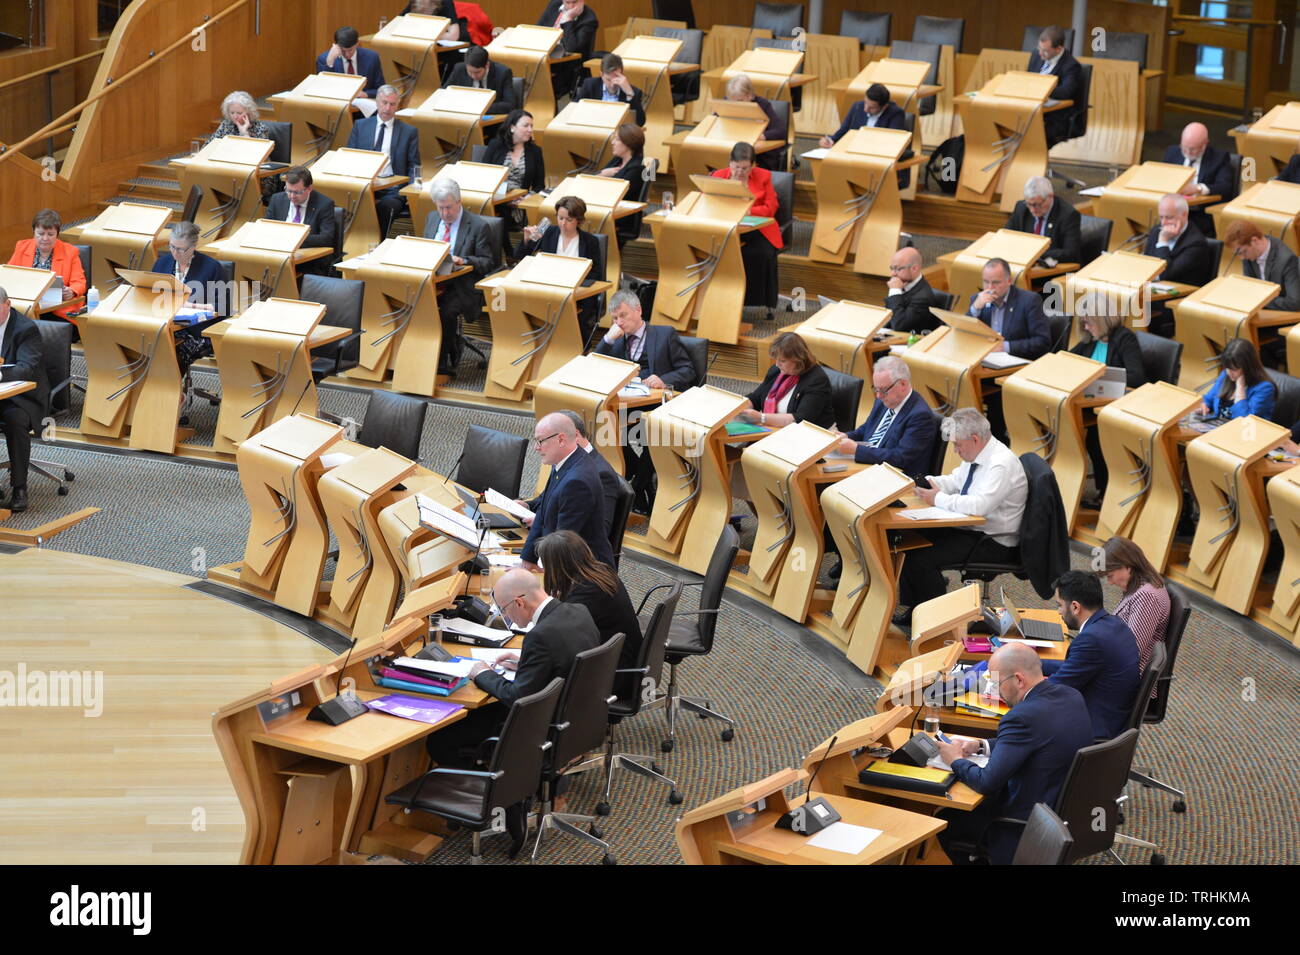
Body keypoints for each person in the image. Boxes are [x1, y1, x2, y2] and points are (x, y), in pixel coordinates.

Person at [429, 567, 600, 854]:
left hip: (540, 730)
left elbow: (517, 696)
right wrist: (526, 664)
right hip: (574, 723)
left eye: (506, 611)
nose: (508, 619)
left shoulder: (541, 635)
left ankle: (496, 803)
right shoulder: (578, 611)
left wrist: (481, 673)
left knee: (442, 738)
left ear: (520, 602)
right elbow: (564, 663)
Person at [934, 642, 1093, 865]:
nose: (993, 691)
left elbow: (987, 781)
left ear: (1018, 680)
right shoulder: (1070, 696)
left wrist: (956, 760)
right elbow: (1032, 740)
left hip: (1024, 823)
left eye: (996, 683)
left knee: (946, 820)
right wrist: (980, 745)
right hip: (1061, 811)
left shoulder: (1020, 717)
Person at [897, 408, 1028, 618]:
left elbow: (979, 506)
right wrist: (925, 483)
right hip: (971, 528)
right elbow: (956, 480)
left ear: (974, 439)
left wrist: (937, 498)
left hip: (994, 541)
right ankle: (916, 610)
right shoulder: (976, 454)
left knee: (921, 558)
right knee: (907, 541)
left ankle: (934, 621)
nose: (956, 450)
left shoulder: (1001, 464)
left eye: (957, 445)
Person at [1043, 570, 1141, 740]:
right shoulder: (1114, 624)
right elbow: (1074, 667)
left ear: (1075, 607)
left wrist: (1019, 685)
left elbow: (1057, 688)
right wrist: (1034, 664)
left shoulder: (1091, 640)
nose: (1059, 612)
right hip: (1112, 714)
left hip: (1095, 726)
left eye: (1059, 605)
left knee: (1023, 714)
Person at [537, 529, 642, 674]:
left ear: (557, 566)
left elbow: (557, 634)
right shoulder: (600, 571)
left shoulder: (585, 593)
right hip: (623, 657)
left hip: (613, 672)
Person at [519, 412, 615, 569]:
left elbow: (562, 541)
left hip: (584, 572)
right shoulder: (564, 462)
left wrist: (538, 571)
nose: (536, 447)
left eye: (540, 441)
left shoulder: (577, 480)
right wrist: (526, 563)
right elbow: (542, 514)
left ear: (561, 439)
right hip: (563, 560)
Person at [422, 177, 496, 374]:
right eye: (440, 208)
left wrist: (464, 260)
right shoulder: (431, 218)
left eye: (448, 207)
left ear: (459, 202)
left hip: (461, 285)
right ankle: (417, 356)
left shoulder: (478, 226)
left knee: (444, 311)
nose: (444, 213)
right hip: (432, 281)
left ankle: (441, 362)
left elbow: (488, 262)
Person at [1071, 309, 1145, 492]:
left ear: (1102, 321)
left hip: (1116, 406)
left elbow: (1137, 377)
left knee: (1095, 439)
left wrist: (1102, 376)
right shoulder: (1090, 340)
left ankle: (1105, 491)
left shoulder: (1124, 338)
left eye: (1090, 323)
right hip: (1090, 403)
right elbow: (1068, 360)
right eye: (1084, 324)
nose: (1086, 328)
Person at [515, 195, 605, 343]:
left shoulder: (590, 241)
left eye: (569, 220)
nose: (563, 224)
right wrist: (526, 239)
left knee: (573, 314)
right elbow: (520, 258)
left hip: (577, 295)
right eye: (560, 218)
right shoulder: (548, 232)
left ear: (579, 220)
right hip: (547, 290)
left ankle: (578, 347)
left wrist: (576, 286)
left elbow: (596, 275)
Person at [833, 356, 937, 481]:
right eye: (876, 389)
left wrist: (857, 450)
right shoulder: (884, 400)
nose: (878, 395)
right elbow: (866, 429)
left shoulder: (920, 416)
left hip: (896, 479)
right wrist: (846, 436)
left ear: (903, 384)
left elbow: (900, 458)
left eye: (883, 390)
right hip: (869, 466)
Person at [711, 141, 783, 309]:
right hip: (726, 228)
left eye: (745, 168)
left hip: (757, 229)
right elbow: (706, 201)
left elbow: (771, 208)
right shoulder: (718, 176)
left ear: (753, 166)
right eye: (736, 167)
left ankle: (748, 302)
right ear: (730, 163)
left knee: (758, 253)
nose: (740, 172)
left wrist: (750, 211)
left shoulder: (763, 176)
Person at [345, 85, 420, 240]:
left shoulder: (409, 131)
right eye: (384, 103)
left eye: (392, 104)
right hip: (364, 187)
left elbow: (415, 165)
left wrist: (414, 190)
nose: (387, 108)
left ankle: (378, 244)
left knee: (385, 207)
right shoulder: (361, 126)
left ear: (397, 106)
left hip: (393, 190)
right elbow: (349, 157)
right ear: (377, 102)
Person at [153, 222, 228, 371]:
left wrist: (191, 306)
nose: (175, 253)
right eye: (172, 247)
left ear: (193, 247)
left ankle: (175, 391)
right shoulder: (162, 263)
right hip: (164, 326)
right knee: (146, 345)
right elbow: (150, 295)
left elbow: (224, 306)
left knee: (170, 353)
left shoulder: (212, 267)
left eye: (180, 249)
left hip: (196, 331)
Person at [0, 287, 48, 514]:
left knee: (15, 421)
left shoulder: (26, 329)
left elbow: (25, 369)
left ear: (7, 304)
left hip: (22, 397)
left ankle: (19, 487)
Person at [1142, 193, 1214, 336]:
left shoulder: (1196, 243)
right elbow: (1146, 264)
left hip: (1173, 304)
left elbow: (1165, 273)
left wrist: (1162, 242)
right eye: (1161, 217)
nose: (1163, 223)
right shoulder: (1157, 231)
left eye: (1169, 217)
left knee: (1131, 313)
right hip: (1152, 296)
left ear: (1184, 215)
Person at [595, 290, 695, 390]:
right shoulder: (614, 339)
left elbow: (688, 370)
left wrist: (663, 380)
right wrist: (608, 338)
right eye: (615, 318)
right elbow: (594, 365)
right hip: (623, 400)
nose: (619, 322)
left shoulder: (665, 335)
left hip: (654, 399)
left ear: (638, 310)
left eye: (623, 315)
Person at [818, 83, 911, 188]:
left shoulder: (896, 114)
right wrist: (831, 140)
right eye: (865, 103)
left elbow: (891, 143)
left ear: (885, 106)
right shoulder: (858, 106)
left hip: (877, 160)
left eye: (871, 108)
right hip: (855, 156)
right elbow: (844, 130)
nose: (865, 109)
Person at [1102, 536, 1171, 676]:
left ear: (1128, 567)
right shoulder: (1138, 588)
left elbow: (1131, 651)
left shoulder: (1147, 596)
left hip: (1126, 678)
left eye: (1110, 576)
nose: (1109, 582)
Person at [737, 331, 835, 429]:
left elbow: (801, 419)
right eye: (776, 359)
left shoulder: (817, 380)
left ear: (798, 360)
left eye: (782, 361)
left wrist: (762, 418)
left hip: (813, 436)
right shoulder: (776, 371)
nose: (777, 364)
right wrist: (738, 408)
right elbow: (756, 398)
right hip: (776, 430)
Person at [8, 209, 86, 322]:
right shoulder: (22, 247)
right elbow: (9, 275)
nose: (45, 239)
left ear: (57, 234)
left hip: (57, 310)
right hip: (26, 306)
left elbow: (79, 282)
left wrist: (72, 291)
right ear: (33, 232)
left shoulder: (70, 252)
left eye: (50, 234)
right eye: (40, 234)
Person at [1161, 121, 1236, 237]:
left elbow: (1225, 187)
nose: (1187, 152)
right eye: (1184, 148)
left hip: (1198, 213)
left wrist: (1198, 188)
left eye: (1192, 149)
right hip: (1170, 210)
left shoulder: (1219, 157)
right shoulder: (1172, 152)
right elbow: (1161, 177)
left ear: (1205, 144)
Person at [967, 258, 1051, 359]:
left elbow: (1042, 342)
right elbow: (964, 334)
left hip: (1016, 362)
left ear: (1009, 281)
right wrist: (974, 309)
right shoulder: (977, 300)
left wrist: (1006, 347)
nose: (990, 288)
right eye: (986, 282)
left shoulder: (1029, 301)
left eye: (996, 282)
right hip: (984, 360)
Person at [265, 167, 338, 275]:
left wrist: (295, 240)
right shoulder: (277, 199)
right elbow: (265, 230)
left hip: (307, 263)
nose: (292, 196)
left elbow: (326, 238)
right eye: (288, 191)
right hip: (277, 255)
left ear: (309, 188)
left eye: (297, 192)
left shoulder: (324, 204)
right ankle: (257, 291)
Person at [482, 109, 546, 229]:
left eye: (531, 126)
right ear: (512, 127)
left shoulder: (535, 151)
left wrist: (526, 198)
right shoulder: (495, 145)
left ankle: (507, 246)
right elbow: (484, 175)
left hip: (520, 203)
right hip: (496, 199)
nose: (530, 130)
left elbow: (539, 186)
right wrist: (505, 197)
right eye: (526, 125)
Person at [1004, 177, 1082, 267]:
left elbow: (1070, 253)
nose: (1032, 210)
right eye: (1029, 204)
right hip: (1025, 265)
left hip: (1055, 270)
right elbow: (1006, 236)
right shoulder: (1021, 208)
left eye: (1037, 204)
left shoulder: (1068, 215)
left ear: (1050, 196)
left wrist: (1036, 254)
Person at [1223, 219, 1300, 310]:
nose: (1242, 257)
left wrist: (1262, 300)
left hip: (1282, 315)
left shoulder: (1286, 260)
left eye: (1242, 252)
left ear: (1254, 241)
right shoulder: (1248, 255)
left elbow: (1295, 303)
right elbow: (1250, 288)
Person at [1027, 25, 1083, 149]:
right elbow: (1028, 79)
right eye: (1039, 48)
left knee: (1028, 133)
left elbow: (1066, 92)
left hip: (1056, 117)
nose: (1040, 53)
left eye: (1045, 51)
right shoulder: (1036, 54)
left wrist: (1042, 89)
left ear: (1058, 49)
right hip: (1033, 110)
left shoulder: (1071, 66)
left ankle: (1036, 166)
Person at [1198, 337, 1275, 421]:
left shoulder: (1264, 388)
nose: (1229, 372)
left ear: (1248, 367)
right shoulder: (1225, 375)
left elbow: (1245, 421)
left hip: (1247, 432)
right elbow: (1208, 398)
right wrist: (1205, 405)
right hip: (1218, 427)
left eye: (1234, 369)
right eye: (1227, 367)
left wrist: (1240, 390)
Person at [725, 74, 786, 170]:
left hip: (759, 155)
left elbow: (781, 130)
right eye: (732, 100)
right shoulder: (727, 102)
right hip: (731, 144)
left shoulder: (763, 104)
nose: (736, 104)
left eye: (740, 100)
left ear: (750, 95)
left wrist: (763, 136)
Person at [598, 123, 647, 243]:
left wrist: (602, 176)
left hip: (620, 217)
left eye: (617, 139)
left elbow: (619, 195)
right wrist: (602, 174)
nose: (612, 142)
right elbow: (596, 180)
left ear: (628, 143)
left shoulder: (637, 169)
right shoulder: (618, 160)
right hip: (606, 208)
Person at [538, 0, 599, 95]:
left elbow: (571, 48)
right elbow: (538, 28)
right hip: (544, 53)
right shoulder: (554, 5)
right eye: (567, 2)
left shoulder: (589, 19)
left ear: (582, 1)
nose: (570, 6)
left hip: (567, 65)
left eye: (574, 2)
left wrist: (568, 20)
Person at [882, 247, 943, 334]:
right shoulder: (902, 283)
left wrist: (895, 291)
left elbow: (899, 325)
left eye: (898, 269)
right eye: (892, 268)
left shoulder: (923, 297)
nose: (893, 274)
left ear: (914, 268)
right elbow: (889, 316)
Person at [577, 53, 646, 126]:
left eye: (616, 79)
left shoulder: (633, 92)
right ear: (601, 75)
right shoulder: (589, 85)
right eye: (609, 80)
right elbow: (574, 109)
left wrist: (629, 94)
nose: (613, 84)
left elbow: (640, 122)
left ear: (622, 75)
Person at [316, 26, 385, 98]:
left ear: (357, 43)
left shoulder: (372, 57)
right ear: (336, 46)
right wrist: (330, 62)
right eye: (343, 51)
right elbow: (321, 89)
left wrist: (366, 94)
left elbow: (381, 89)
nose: (347, 54)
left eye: (350, 50)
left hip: (363, 103)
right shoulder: (324, 59)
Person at [445, 45, 516, 115]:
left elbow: (509, 105)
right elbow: (444, 93)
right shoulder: (459, 69)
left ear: (487, 65)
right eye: (470, 72)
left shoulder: (503, 73)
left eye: (477, 72)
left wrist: (477, 107)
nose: (473, 76)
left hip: (490, 119)